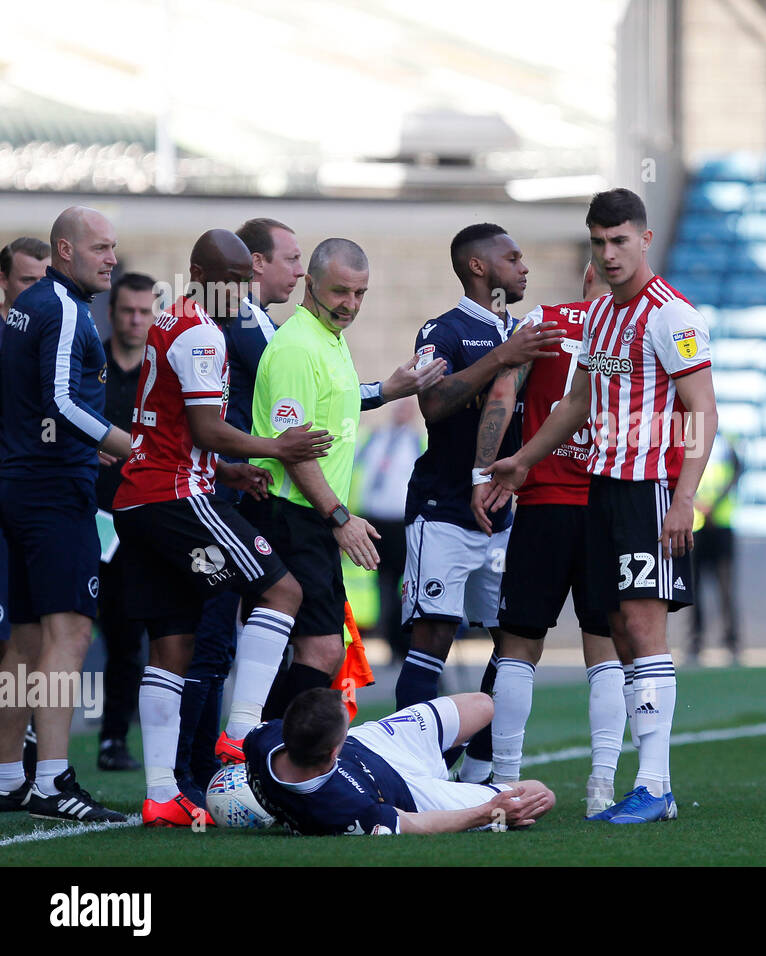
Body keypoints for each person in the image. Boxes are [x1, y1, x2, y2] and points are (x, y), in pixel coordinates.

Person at [485, 188, 718, 824]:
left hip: (650, 490)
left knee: (643, 630)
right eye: (598, 242)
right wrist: (525, 460)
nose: (609, 253)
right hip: (602, 491)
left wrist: (685, 495)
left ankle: (655, 784)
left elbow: (703, 409)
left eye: (619, 241)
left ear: (644, 239)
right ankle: (647, 786)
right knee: (618, 631)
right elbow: (576, 406)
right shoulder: (598, 319)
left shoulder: (673, 317)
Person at [112, 228, 334, 827]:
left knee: (171, 646)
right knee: (281, 590)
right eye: (229, 282)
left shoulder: (171, 317)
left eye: (243, 283)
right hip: (176, 498)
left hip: (139, 500)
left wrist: (231, 469)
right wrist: (274, 447)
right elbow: (207, 429)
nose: (238, 293)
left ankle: (161, 794)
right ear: (201, 273)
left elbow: (177, 430)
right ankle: (240, 737)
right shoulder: (204, 332)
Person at [240, 238, 449, 728]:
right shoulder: (296, 346)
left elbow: (332, 406)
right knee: (321, 646)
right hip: (289, 513)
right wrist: (339, 517)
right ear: (309, 285)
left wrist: (386, 390)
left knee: (319, 648)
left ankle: (264, 749)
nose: (350, 305)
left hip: (308, 516)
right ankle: (266, 750)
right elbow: (295, 449)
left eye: (360, 294)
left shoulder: (328, 340)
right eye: (340, 292)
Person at [469, 262, 632, 815]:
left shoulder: (547, 322)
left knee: (518, 648)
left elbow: (502, 391)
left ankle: (505, 785)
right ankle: (601, 788)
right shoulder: (636, 334)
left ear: (588, 274)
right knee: (605, 651)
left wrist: (485, 471)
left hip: (542, 507)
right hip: (609, 510)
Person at [393, 223, 563, 740]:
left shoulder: (524, 331)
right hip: (442, 509)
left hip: (504, 513)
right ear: (478, 267)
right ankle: (418, 761)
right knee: (434, 637)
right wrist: (500, 358)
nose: (524, 267)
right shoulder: (441, 331)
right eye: (513, 258)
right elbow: (433, 403)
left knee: (513, 641)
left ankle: (484, 767)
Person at [0, 208, 134, 822]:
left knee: (26, 639)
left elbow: (38, 405)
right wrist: (124, 444)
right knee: (70, 631)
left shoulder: (33, 305)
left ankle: (8, 778)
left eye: (113, 247)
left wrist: (78, 442)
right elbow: (58, 397)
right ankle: (52, 779)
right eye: (101, 247)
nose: (111, 257)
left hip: (23, 484)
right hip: (53, 493)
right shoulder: (62, 307)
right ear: (65, 250)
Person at [243, 687, 555, 835]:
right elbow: (415, 824)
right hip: (412, 796)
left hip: (372, 744)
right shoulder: (341, 808)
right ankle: (461, 790)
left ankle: (459, 775)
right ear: (331, 754)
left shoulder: (260, 740)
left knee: (483, 705)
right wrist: (487, 813)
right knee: (539, 793)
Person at [94, 272, 156, 771]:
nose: (135, 320)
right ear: (112, 313)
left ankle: (114, 739)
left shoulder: (159, 376)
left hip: (134, 525)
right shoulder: (88, 366)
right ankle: (26, 743)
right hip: (78, 517)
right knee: (56, 634)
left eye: (143, 311)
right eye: (127, 311)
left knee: (126, 637)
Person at [0, 237, 52, 799]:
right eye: (24, 282)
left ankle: (14, 760)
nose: (35, 294)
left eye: (44, 281)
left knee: (29, 636)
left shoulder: (50, 338)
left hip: (28, 506)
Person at [353, 400, 425, 659]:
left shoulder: (418, 442)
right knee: (383, 583)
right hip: (373, 519)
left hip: (402, 522)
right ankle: (392, 638)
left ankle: (401, 639)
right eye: (399, 407)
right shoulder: (372, 438)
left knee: (403, 584)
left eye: (407, 409)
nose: (401, 413)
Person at [689, 431, 743, 666]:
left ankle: (732, 644)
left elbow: (737, 473)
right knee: (693, 590)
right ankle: (695, 643)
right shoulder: (690, 439)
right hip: (696, 525)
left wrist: (712, 504)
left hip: (720, 525)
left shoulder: (726, 442)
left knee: (725, 589)